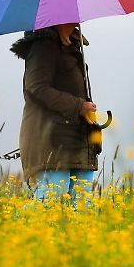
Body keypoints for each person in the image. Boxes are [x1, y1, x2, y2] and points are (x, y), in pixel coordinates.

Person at [11, 23, 101, 202]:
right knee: (51, 204)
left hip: (78, 138)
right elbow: (36, 87)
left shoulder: (73, 45)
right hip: (51, 140)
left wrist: (85, 108)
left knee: (83, 207)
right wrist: (79, 107)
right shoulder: (43, 46)